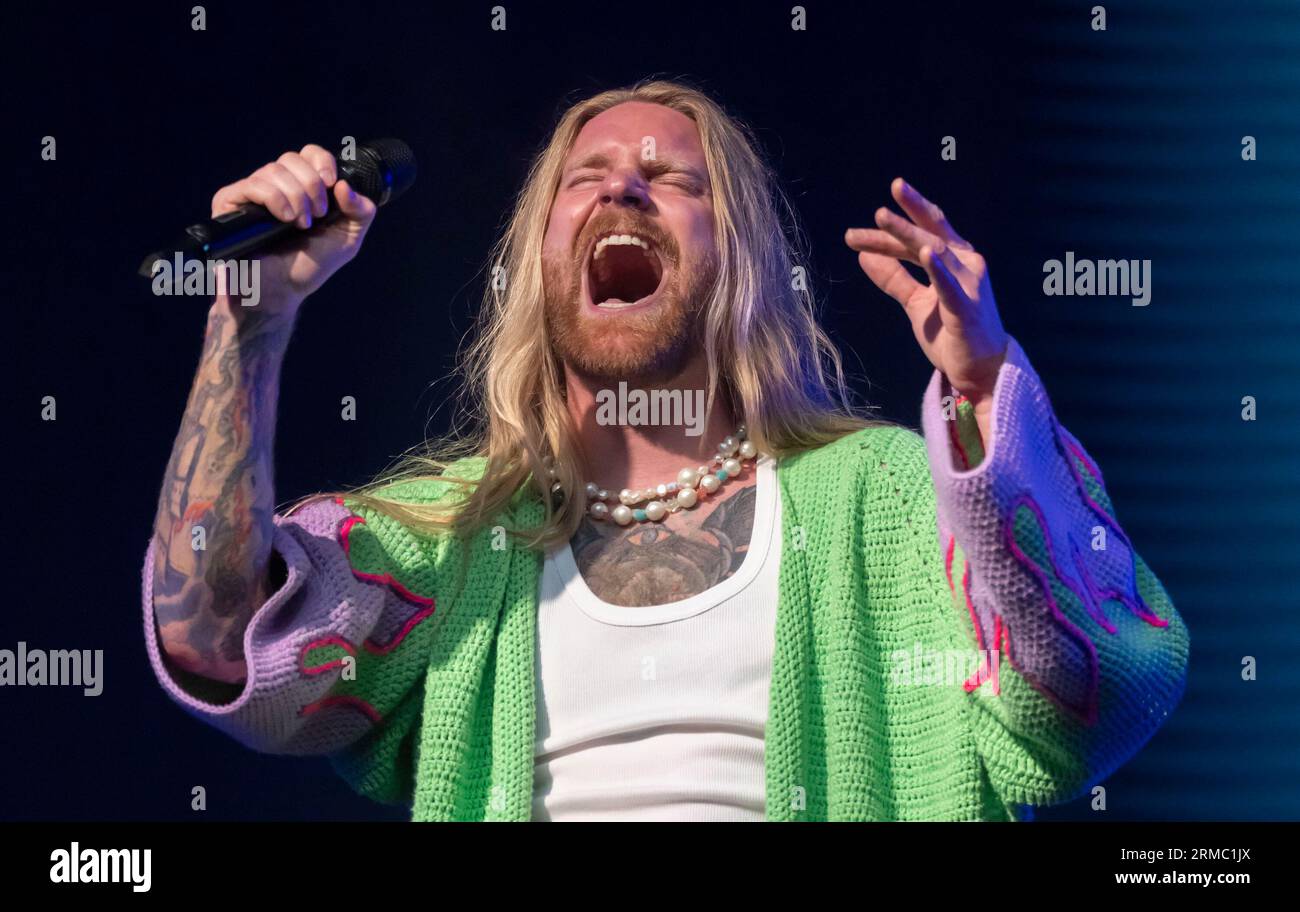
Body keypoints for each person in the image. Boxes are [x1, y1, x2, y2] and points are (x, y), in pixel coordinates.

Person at [141, 79, 1189, 821]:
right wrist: (251, 318)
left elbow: (1098, 700)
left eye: (671, 179)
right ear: (538, 259)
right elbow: (220, 642)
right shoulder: (451, 537)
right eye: (583, 176)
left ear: (739, 262)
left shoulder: (893, 498)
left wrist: (980, 390)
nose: (622, 191)